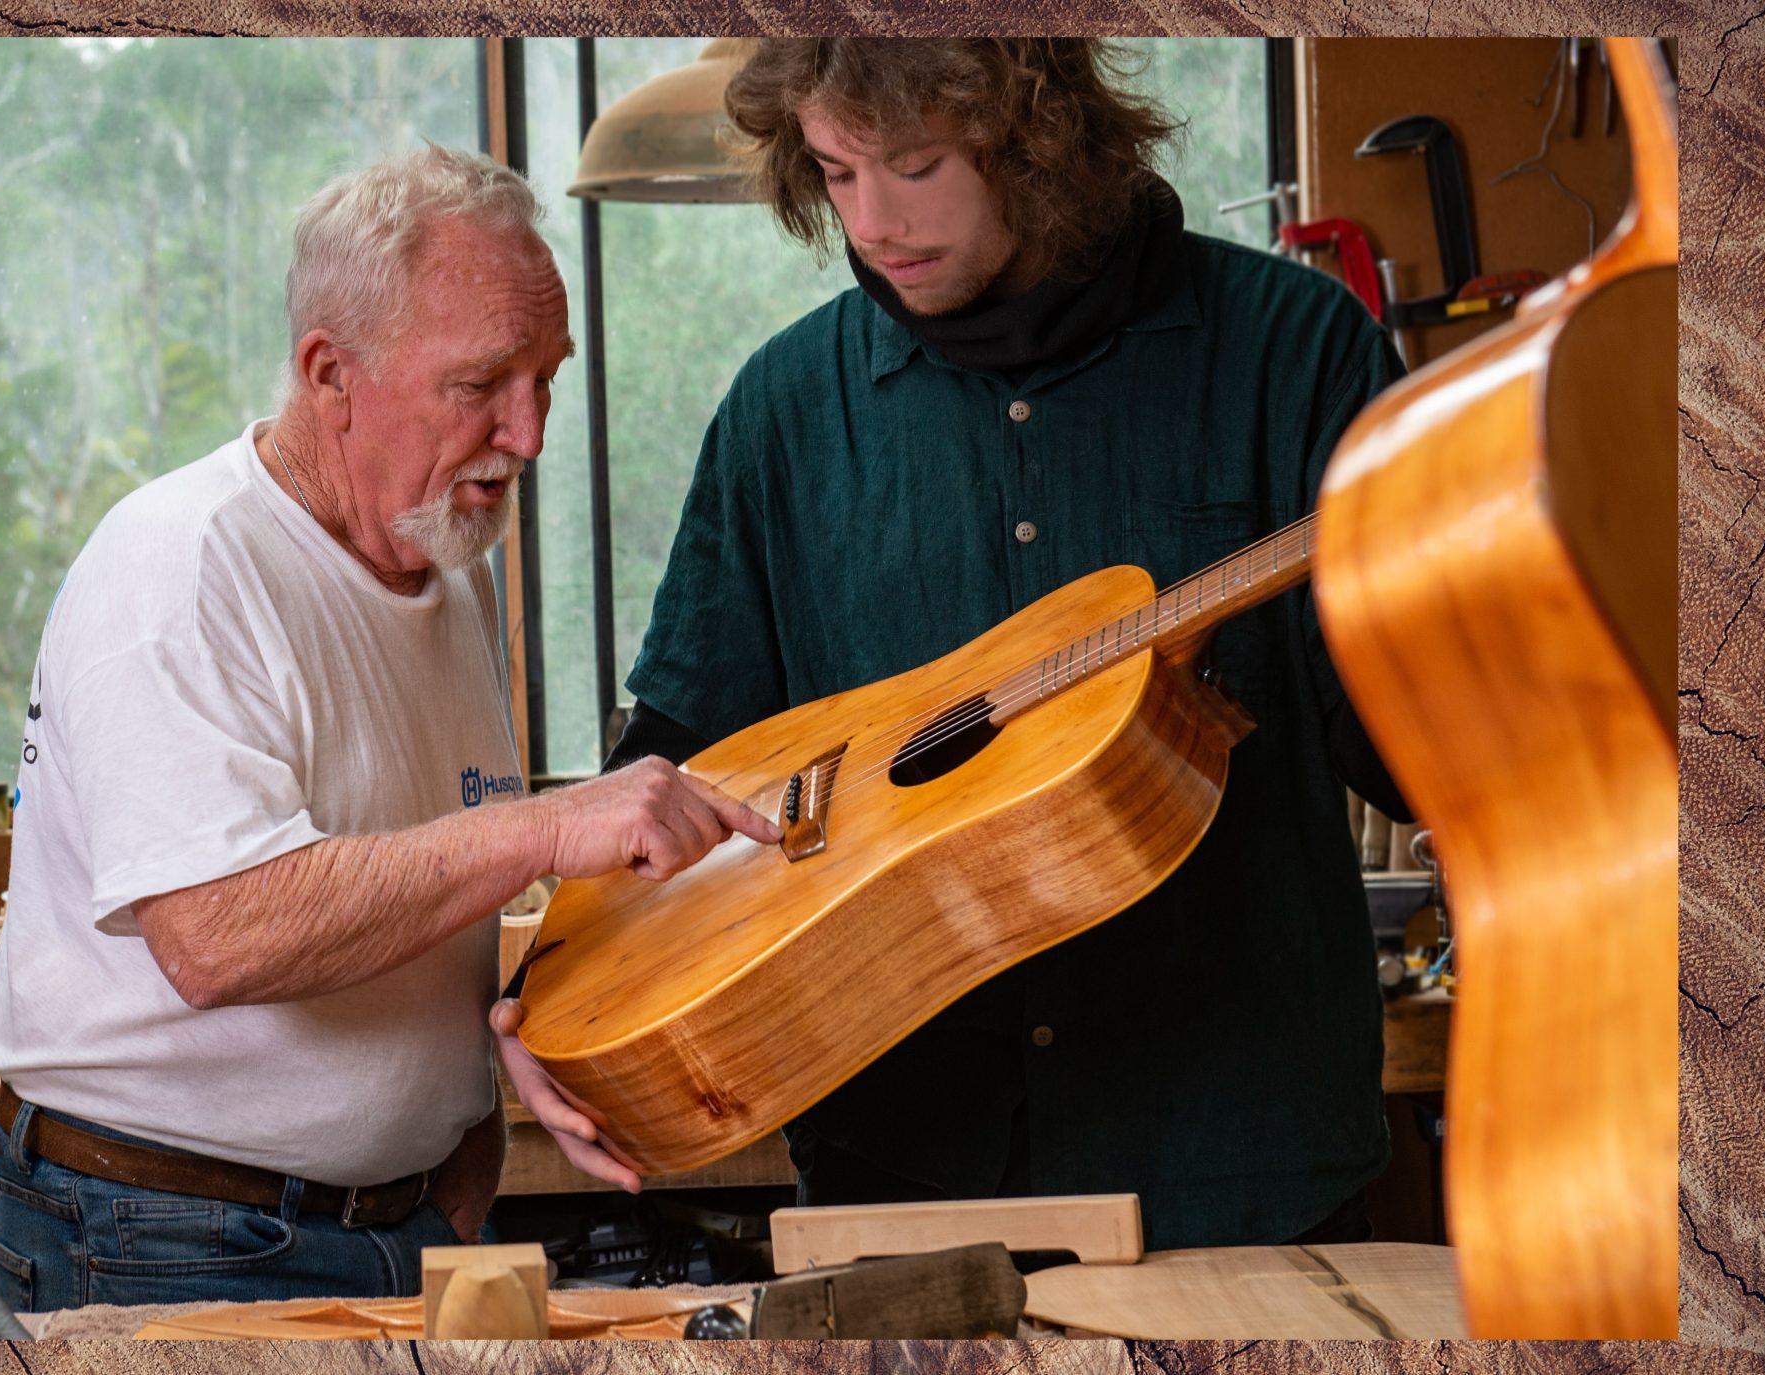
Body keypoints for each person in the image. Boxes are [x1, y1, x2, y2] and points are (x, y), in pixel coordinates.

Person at [591, 38, 1415, 1251]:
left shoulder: (1294, 353)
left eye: (914, 165)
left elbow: (1415, 756)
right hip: (901, 1176)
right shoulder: (785, 410)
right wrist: (570, 999)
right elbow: (671, 773)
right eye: (836, 173)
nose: (872, 222)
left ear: (1037, 140)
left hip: (1238, 1165)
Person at [0, 145, 778, 1312]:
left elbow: (417, 891)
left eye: (545, 377)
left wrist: (494, 1064)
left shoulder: (448, 561)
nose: (529, 432)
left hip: (401, 1218)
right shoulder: (184, 564)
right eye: (481, 383)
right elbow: (217, 935)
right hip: (168, 1231)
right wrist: (547, 827)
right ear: (330, 374)